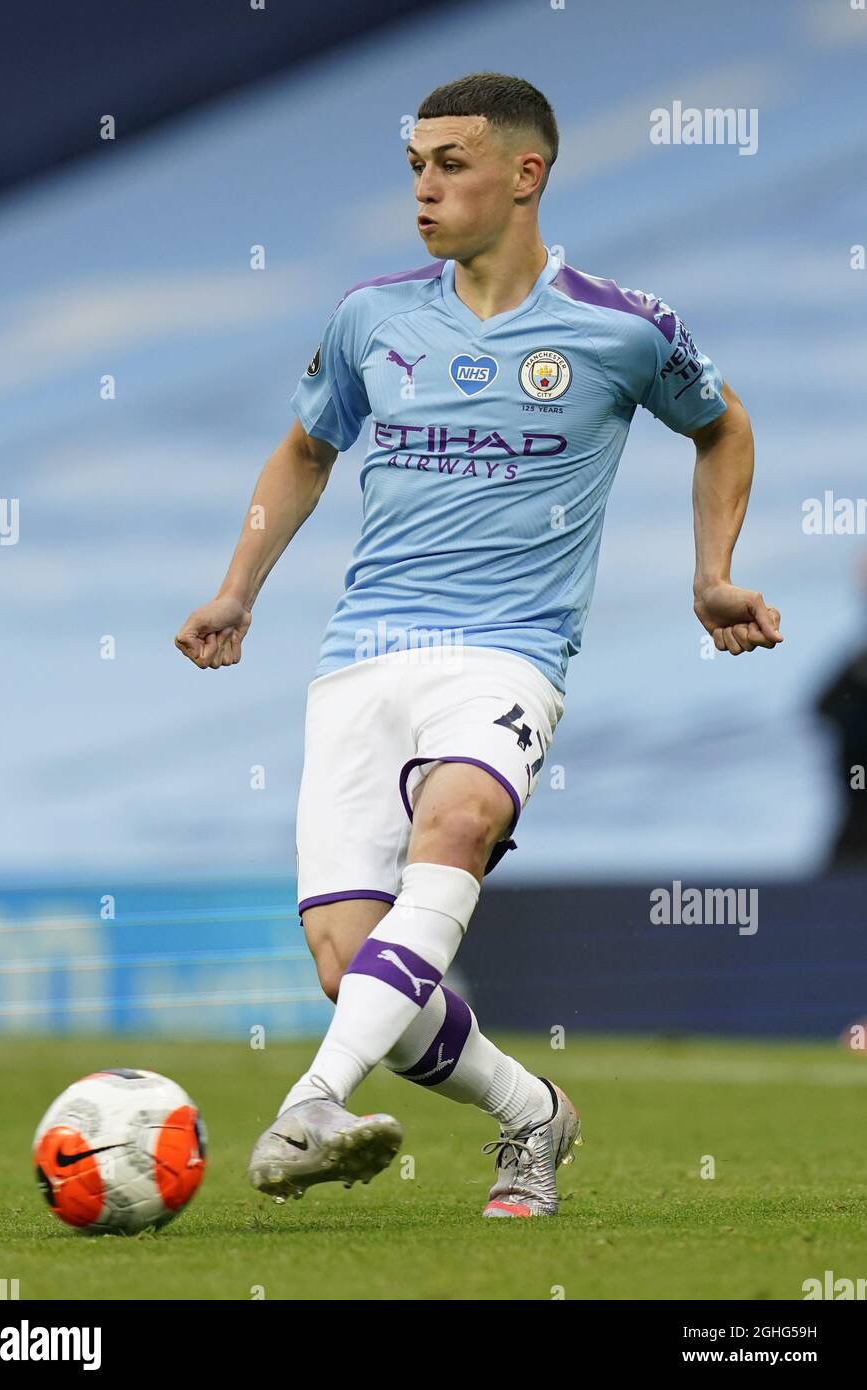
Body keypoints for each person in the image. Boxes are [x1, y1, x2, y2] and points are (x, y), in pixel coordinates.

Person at [175, 72, 782, 1218]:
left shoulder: (620, 326)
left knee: (458, 821)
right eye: (413, 164)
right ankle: (530, 1114)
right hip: (361, 658)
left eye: (449, 162)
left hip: (507, 654)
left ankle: (309, 1100)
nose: (423, 187)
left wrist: (709, 575)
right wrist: (235, 590)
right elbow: (305, 451)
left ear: (524, 174)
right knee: (353, 970)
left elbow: (723, 422)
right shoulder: (372, 317)